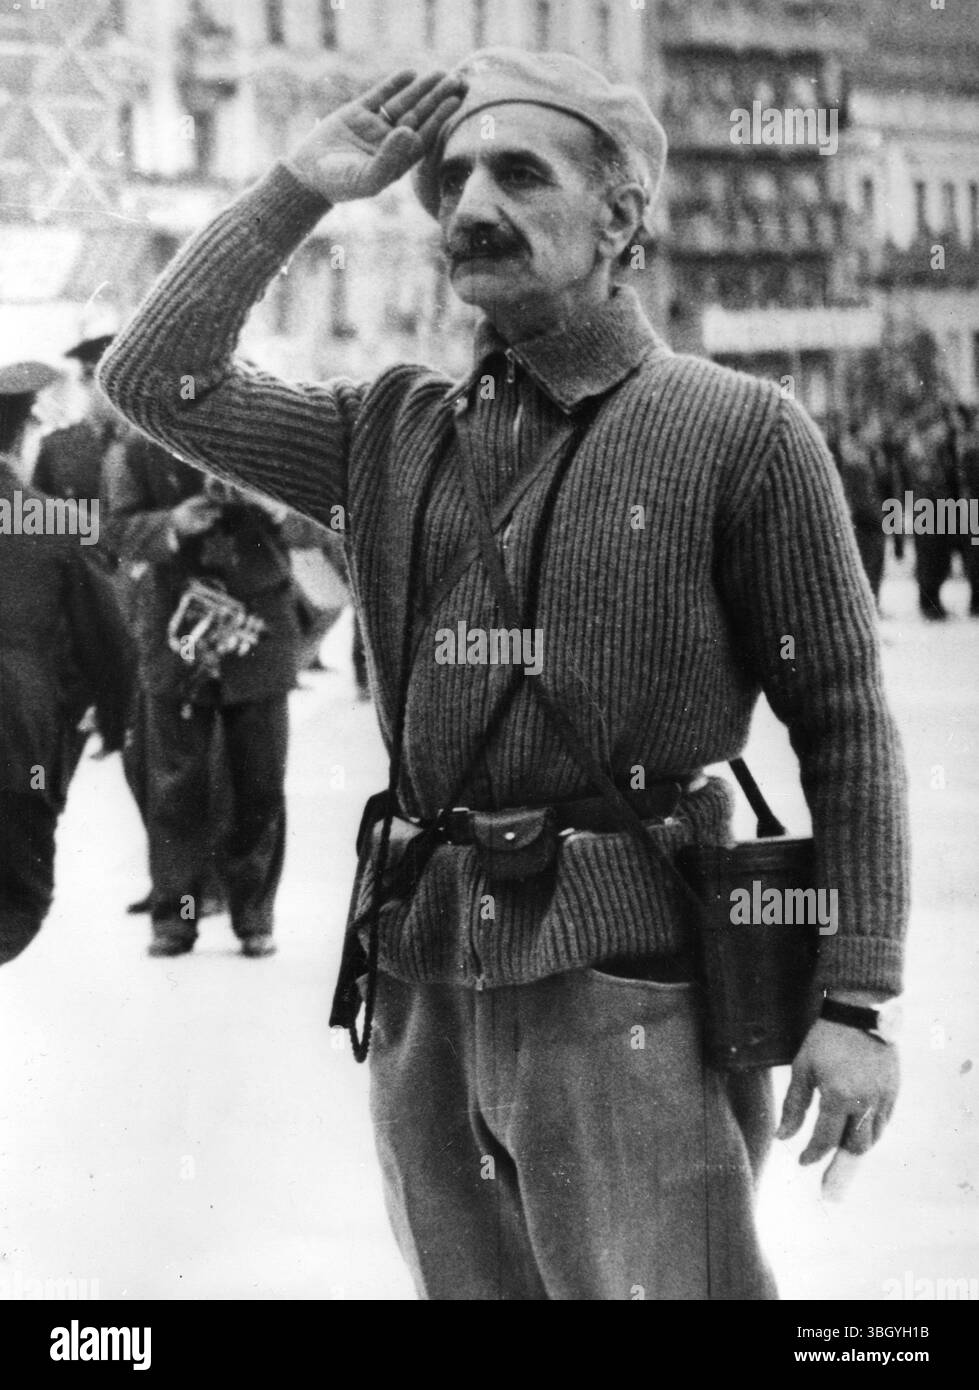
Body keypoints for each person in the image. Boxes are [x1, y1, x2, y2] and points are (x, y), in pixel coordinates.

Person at [101, 51, 909, 1300]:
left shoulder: (740, 432)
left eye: (520, 174)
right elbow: (153, 376)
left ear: (621, 215)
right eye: (452, 179)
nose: (470, 205)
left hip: (630, 988)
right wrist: (297, 191)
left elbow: (846, 723)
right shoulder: (385, 429)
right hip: (424, 977)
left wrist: (855, 1001)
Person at [104, 434, 300, 959]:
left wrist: (269, 504)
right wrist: (171, 524)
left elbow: (326, 523)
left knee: (260, 781)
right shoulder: (136, 448)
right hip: (177, 628)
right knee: (175, 784)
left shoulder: (271, 435)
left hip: (259, 630)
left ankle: (253, 916)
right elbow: (114, 530)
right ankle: (176, 917)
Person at [0, 361, 134, 966]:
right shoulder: (54, 520)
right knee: (18, 893)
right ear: (22, 437)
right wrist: (114, 719)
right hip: (21, 735)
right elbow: (109, 639)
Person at [32, 334, 122, 569]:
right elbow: (36, 518)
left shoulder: (149, 445)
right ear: (83, 382)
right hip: (85, 573)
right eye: (100, 383)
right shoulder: (57, 447)